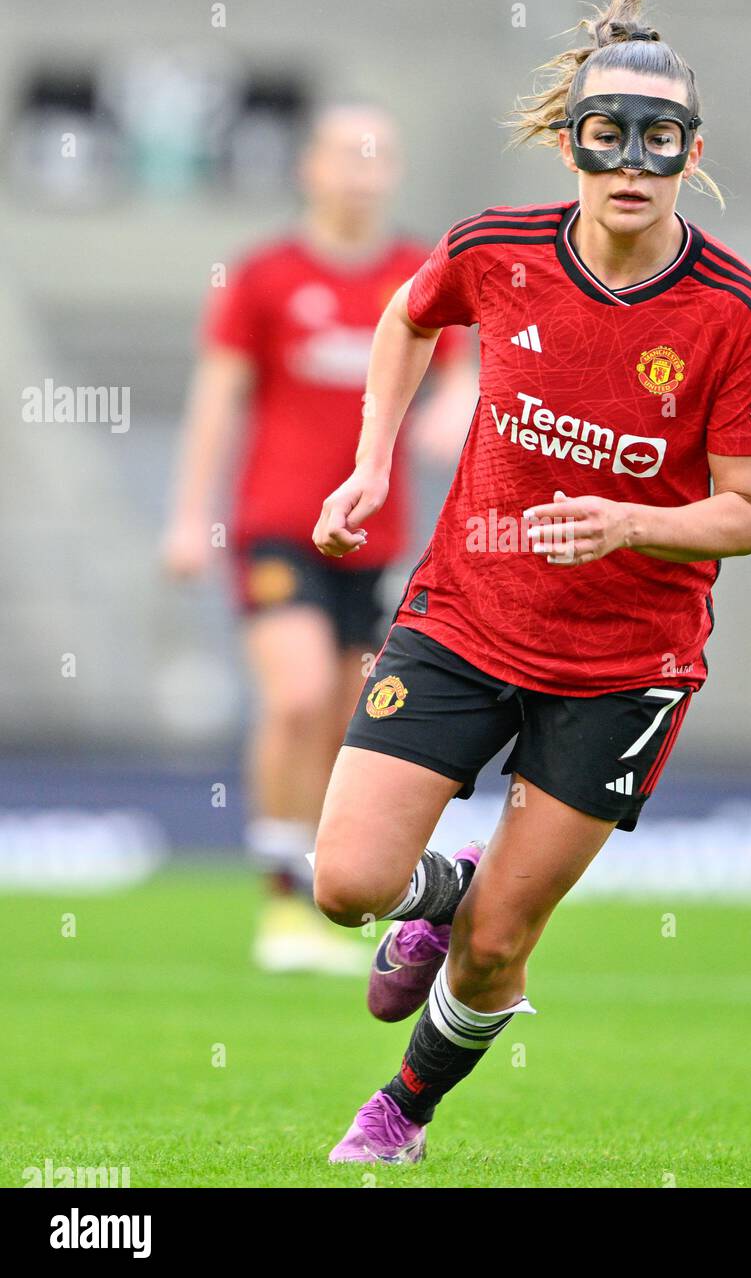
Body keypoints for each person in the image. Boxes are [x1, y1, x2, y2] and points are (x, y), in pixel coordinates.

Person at [311, 0, 751, 1161]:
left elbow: (747, 513)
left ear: (691, 150)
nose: (631, 164)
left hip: (625, 663)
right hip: (465, 613)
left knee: (499, 946)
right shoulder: (497, 253)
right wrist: (371, 462)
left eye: (659, 139)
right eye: (607, 134)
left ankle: (400, 1112)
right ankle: (440, 884)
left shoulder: (732, 314)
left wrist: (629, 520)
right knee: (346, 884)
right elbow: (406, 319)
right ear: (571, 137)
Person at [162, 104, 475, 974]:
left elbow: (460, 370)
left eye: (379, 157)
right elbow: (217, 400)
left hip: (378, 544)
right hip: (278, 528)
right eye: (347, 155)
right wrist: (191, 515)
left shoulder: (420, 271)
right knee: (296, 696)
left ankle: (334, 893)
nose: (362, 172)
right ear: (311, 168)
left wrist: (452, 407)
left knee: (348, 719)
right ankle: (279, 900)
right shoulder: (265, 276)